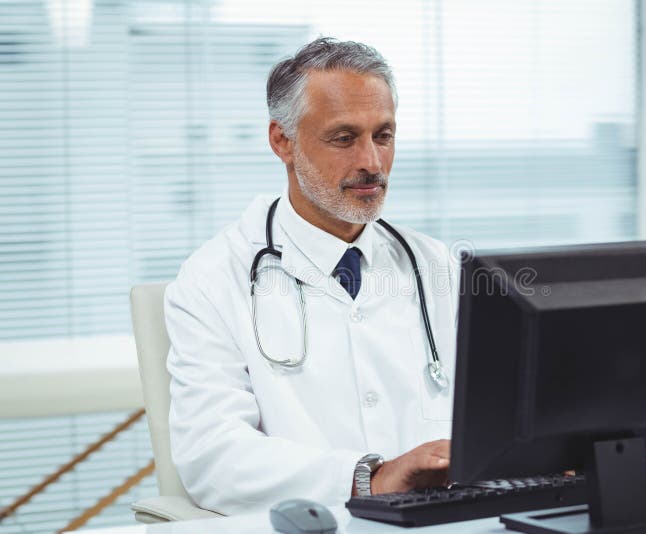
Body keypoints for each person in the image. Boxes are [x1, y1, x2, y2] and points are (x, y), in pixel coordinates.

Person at [164, 37, 459, 516]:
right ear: (282, 141)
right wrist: (369, 480)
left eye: (383, 135)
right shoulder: (211, 279)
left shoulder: (437, 266)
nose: (372, 163)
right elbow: (212, 457)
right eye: (344, 138)